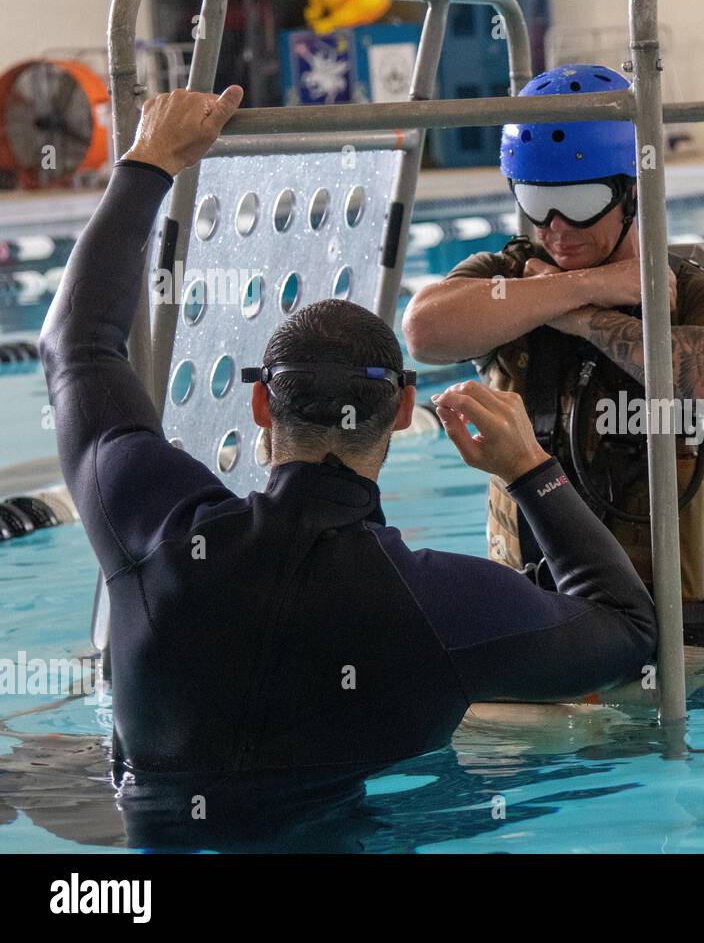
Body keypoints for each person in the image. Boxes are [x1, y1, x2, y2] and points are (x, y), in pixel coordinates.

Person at [38, 85, 656, 778]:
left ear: (262, 408)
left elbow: (77, 344)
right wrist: (531, 472)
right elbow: (629, 629)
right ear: (401, 410)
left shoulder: (153, 524)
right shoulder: (446, 606)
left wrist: (148, 161)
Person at [403, 64, 704, 624]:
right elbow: (422, 332)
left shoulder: (697, 290)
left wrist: (580, 318)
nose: (554, 227)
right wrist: (587, 287)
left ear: (631, 193)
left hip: (676, 628)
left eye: (578, 202)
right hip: (532, 614)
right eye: (535, 199)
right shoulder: (507, 273)